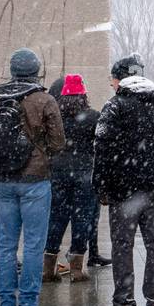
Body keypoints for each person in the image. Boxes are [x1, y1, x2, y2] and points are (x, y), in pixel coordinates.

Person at [94, 55, 154, 306]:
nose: (111, 84)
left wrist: (102, 188)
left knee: (122, 246)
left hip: (123, 195)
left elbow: (101, 149)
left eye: (112, 78)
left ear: (120, 78)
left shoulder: (114, 107)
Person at [0, 48, 65, 306]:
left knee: (5, 246)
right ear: (36, 70)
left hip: (4, 182)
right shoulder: (45, 100)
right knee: (33, 246)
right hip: (35, 182)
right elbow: (57, 142)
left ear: (12, 70)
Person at [43, 74, 99, 284]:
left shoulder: (55, 118)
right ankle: (76, 269)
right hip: (85, 174)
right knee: (82, 219)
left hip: (57, 173)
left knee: (56, 219)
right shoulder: (94, 117)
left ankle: (48, 268)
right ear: (83, 94)